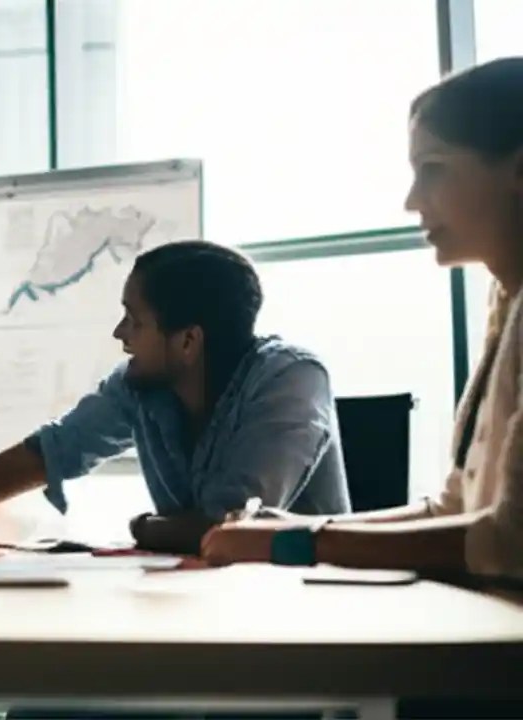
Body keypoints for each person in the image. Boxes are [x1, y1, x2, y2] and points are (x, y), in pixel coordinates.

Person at [201, 57, 523, 579]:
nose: (411, 200)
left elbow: (511, 541)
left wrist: (298, 542)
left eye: (433, 169)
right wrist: (293, 527)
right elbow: (455, 511)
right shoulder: (506, 302)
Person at [0, 241, 351, 553]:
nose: (120, 334)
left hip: (287, 632)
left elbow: (233, 528)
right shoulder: (142, 386)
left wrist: (146, 527)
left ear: (188, 341)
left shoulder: (291, 381)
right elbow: (53, 449)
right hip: (192, 607)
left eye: (135, 320)